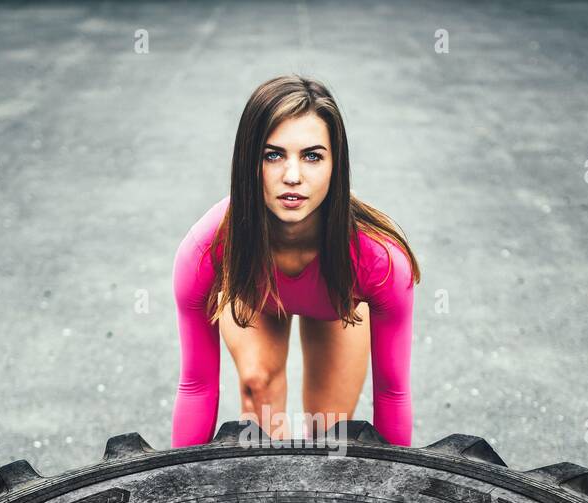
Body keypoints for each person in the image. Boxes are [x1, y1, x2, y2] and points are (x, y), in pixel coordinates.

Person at [170, 74, 421, 448]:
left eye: (312, 156)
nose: (292, 176)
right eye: (273, 155)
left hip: (336, 300)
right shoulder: (206, 249)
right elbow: (196, 384)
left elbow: (393, 393)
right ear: (248, 163)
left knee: (328, 433)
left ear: (337, 165)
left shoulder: (380, 261)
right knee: (259, 395)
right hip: (256, 295)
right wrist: (180, 487)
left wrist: (402, 492)